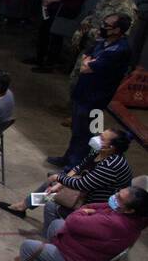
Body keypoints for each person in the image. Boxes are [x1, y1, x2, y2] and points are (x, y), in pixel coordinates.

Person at [9, 187, 148, 261]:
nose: (115, 196)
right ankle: (27, 205)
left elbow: (73, 219)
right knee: (56, 223)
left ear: (130, 210)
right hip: (86, 249)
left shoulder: (116, 223)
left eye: (119, 198)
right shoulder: (123, 213)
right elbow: (91, 205)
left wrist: (62, 181)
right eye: (118, 192)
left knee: (29, 245)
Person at [0, 129, 133, 230]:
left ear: (111, 147)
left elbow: (82, 184)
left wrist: (60, 179)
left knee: (52, 199)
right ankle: (24, 205)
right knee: (53, 183)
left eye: (102, 138)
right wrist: (59, 183)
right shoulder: (99, 152)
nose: (97, 139)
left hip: (94, 205)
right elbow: (80, 167)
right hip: (85, 191)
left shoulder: (111, 165)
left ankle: (51, 236)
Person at [53, 13, 135, 169]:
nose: (102, 27)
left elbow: (86, 68)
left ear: (117, 30)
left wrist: (88, 63)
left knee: (86, 135)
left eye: (107, 25)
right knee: (76, 130)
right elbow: (86, 55)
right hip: (82, 94)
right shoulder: (103, 41)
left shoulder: (120, 50)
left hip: (94, 100)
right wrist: (88, 61)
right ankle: (68, 158)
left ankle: (75, 166)